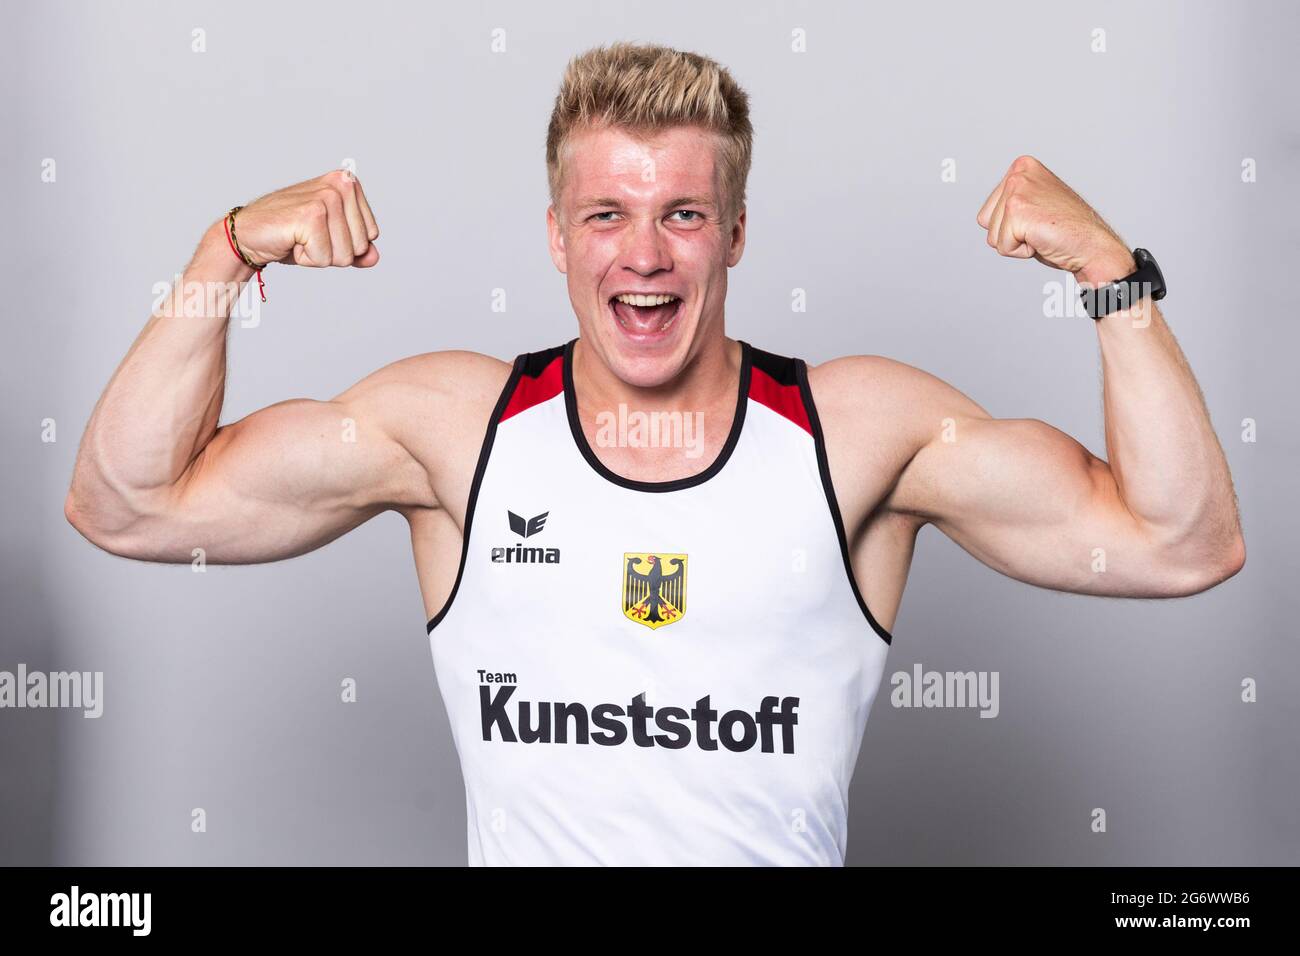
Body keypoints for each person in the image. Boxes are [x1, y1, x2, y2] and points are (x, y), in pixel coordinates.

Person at [65, 42, 1244, 865]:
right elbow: (128, 503)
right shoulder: (456, 435)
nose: (645, 255)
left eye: (682, 213)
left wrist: (1109, 275)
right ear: (555, 237)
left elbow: (1179, 540)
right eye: (606, 215)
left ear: (733, 232)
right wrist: (223, 254)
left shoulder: (856, 436)